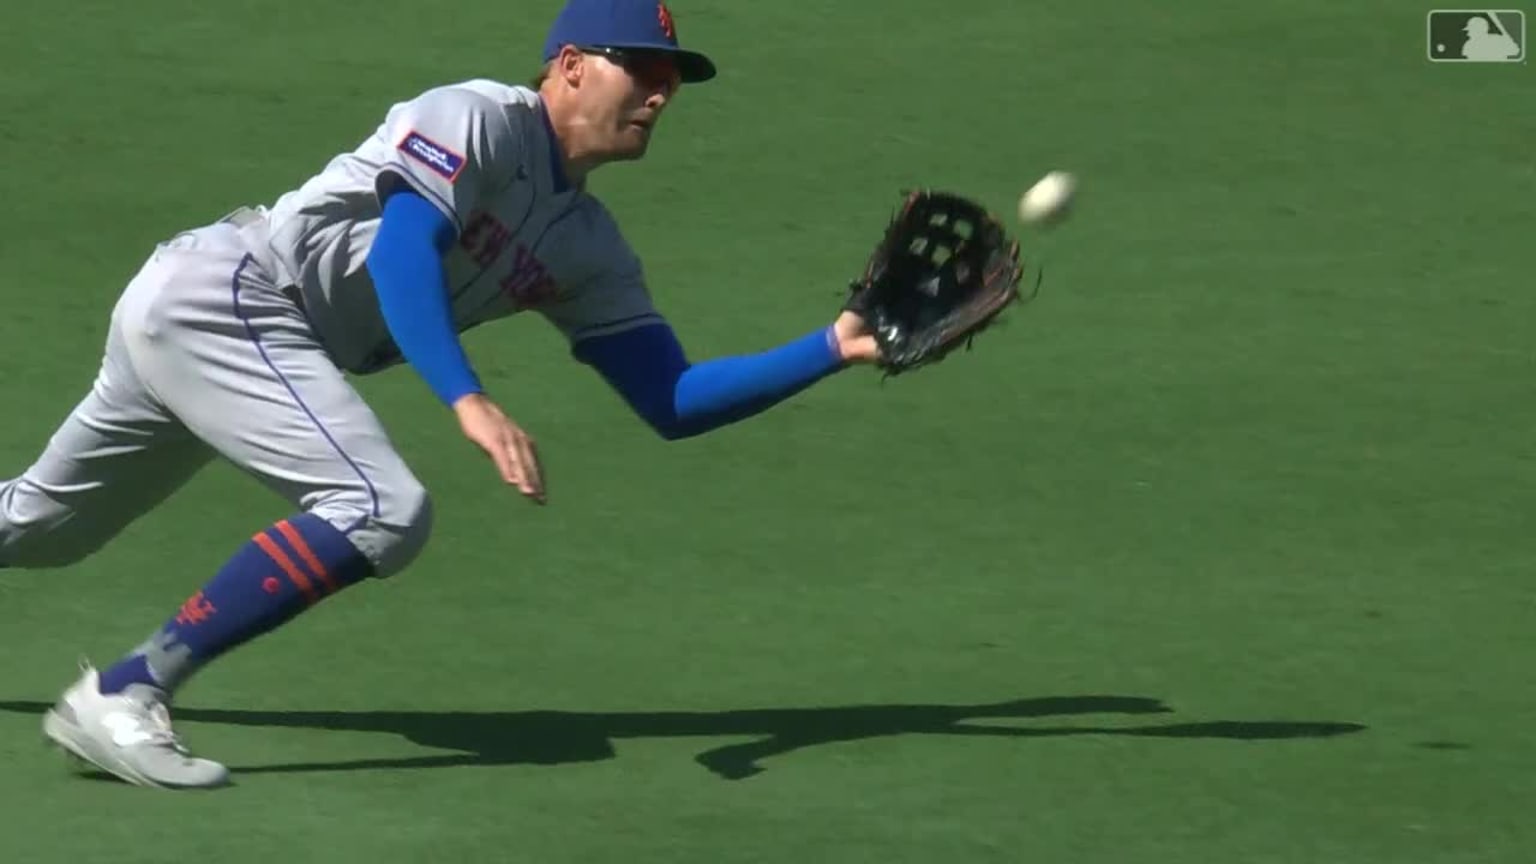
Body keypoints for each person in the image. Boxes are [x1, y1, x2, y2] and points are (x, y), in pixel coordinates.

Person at [3, 0, 881, 790]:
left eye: (672, 81)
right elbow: (401, 250)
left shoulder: (590, 247)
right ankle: (125, 691)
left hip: (235, 328)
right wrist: (466, 398)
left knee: (43, 529)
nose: (661, 93)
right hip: (231, 298)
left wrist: (832, 347)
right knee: (380, 506)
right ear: (570, 64)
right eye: (642, 70)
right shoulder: (480, 119)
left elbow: (673, 398)